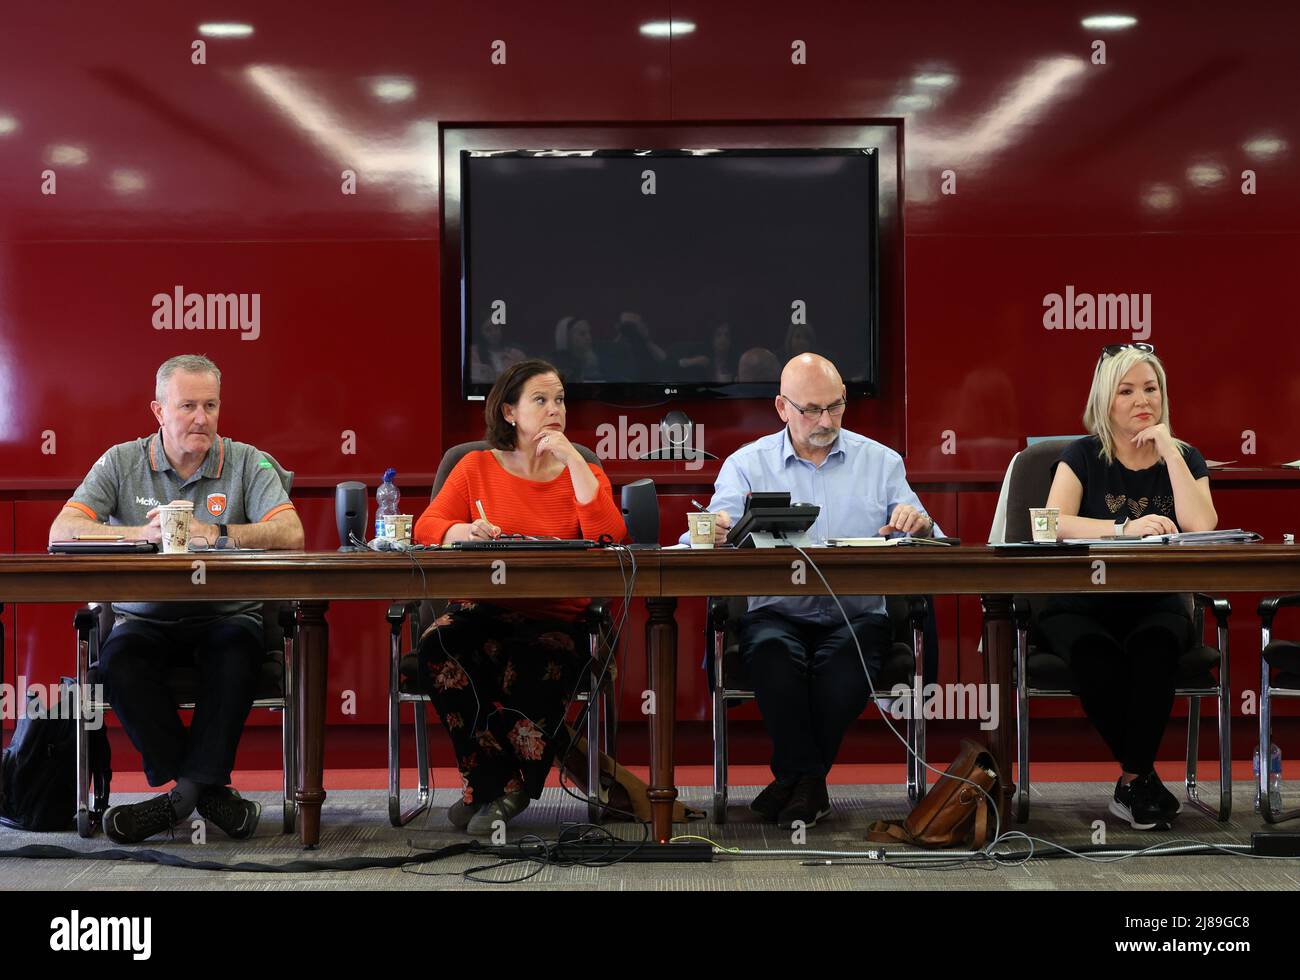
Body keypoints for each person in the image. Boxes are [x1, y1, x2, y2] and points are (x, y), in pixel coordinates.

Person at [48, 354, 305, 843]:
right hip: (145, 619)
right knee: (118, 663)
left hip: (226, 617)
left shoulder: (247, 460)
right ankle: (205, 796)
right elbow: (63, 528)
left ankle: (177, 801)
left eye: (210, 405)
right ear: (158, 411)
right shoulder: (122, 461)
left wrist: (220, 530)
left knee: (234, 657)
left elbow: (290, 533)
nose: (201, 418)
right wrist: (135, 535)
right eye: (187, 405)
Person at [684, 353, 941, 827]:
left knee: (842, 668)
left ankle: (794, 780)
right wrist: (716, 530)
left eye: (837, 407)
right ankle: (808, 782)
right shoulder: (746, 465)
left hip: (858, 616)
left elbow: (933, 537)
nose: (827, 421)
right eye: (811, 410)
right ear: (782, 407)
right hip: (774, 614)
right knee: (775, 660)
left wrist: (919, 525)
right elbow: (701, 535)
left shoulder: (882, 462)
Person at [413, 359, 627, 833]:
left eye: (560, 400)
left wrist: (575, 461)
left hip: (558, 615)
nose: (555, 410)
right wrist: (461, 530)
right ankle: (493, 784)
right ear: (509, 412)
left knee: (536, 662)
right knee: (437, 645)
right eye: (540, 400)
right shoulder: (475, 466)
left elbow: (611, 538)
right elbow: (426, 527)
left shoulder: (584, 468)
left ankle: (500, 793)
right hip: (484, 609)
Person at [1040, 343, 1216, 830]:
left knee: (1156, 652)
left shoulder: (1185, 457)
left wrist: (1169, 451)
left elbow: (1201, 526)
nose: (1143, 400)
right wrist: (1122, 528)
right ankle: (1141, 779)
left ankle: (1133, 781)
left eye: (1151, 389)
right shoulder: (1082, 455)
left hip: (1154, 600)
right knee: (1097, 659)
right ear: (1105, 400)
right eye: (1127, 390)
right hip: (1081, 601)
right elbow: (1051, 525)